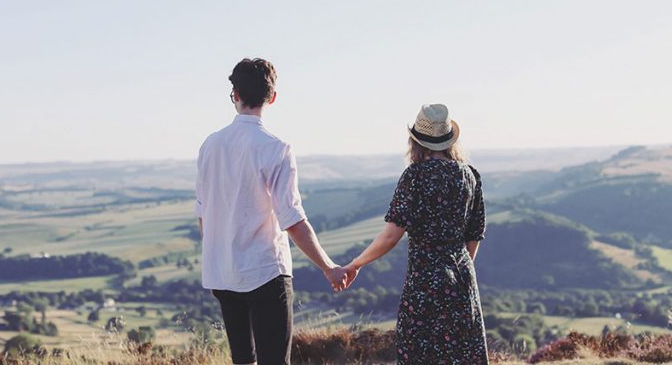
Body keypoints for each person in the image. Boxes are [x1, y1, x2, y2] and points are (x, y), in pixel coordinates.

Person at [195, 58, 347, 365]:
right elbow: (291, 219)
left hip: (223, 272)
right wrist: (328, 266)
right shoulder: (276, 148)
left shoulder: (209, 145)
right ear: (272, 97)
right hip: (265, 271)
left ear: (235, 95)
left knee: (244, 361)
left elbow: (204, 214)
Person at [342, 103, 489, 364]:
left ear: (417, 143)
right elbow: (474, 236)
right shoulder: (469, 176)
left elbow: (390, 236)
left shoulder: (415, 177)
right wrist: (458, 271)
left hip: (425, 282)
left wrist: (356, 263)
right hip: (463, 280)